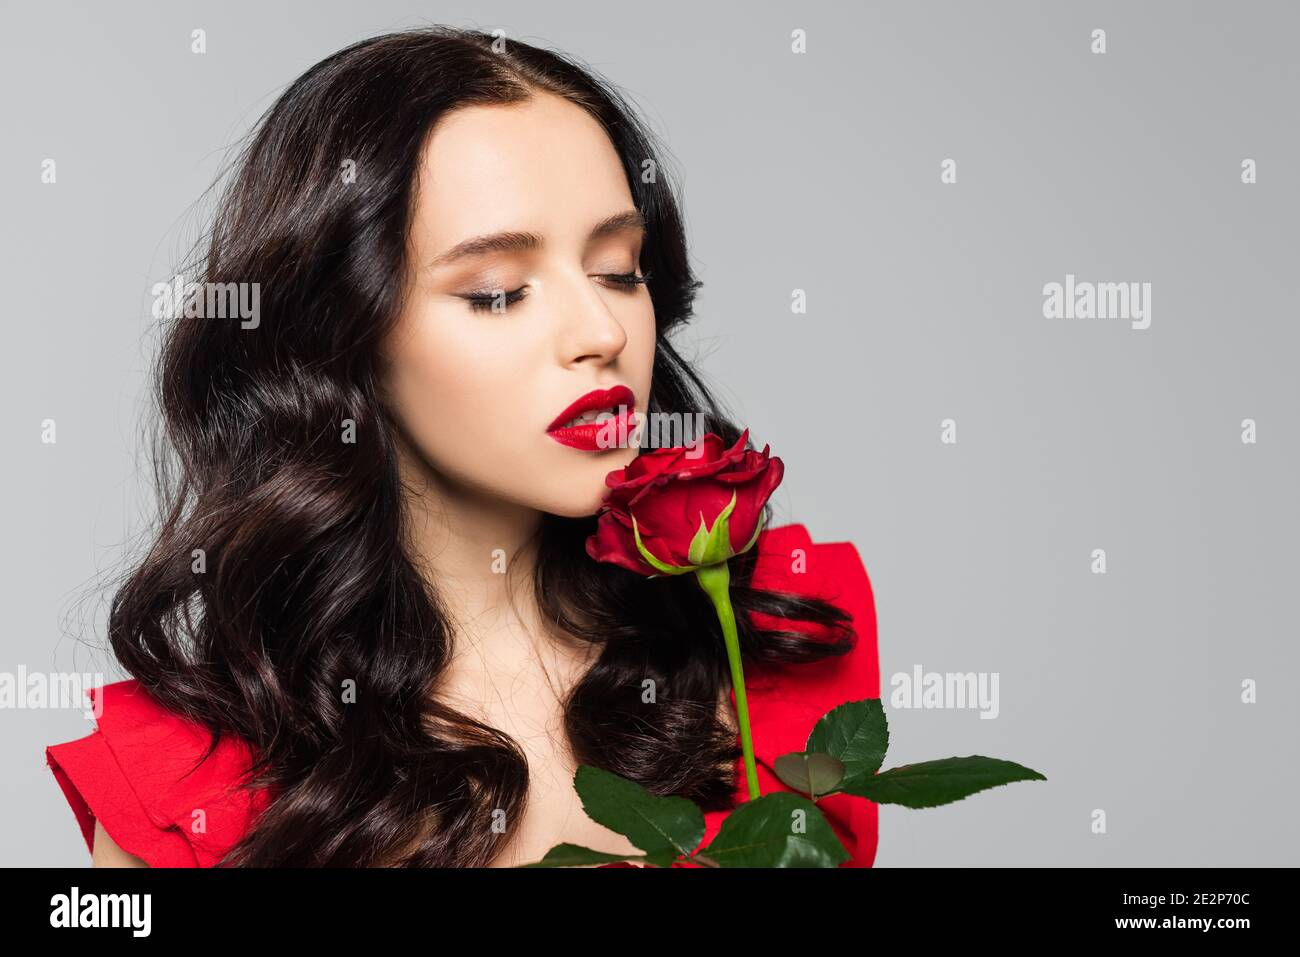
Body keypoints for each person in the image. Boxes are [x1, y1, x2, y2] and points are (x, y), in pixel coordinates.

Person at [45, 25, 879, 868]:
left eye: (620, 270)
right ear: (346, 337)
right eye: (497, 293)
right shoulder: (186, 781)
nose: (600, 332)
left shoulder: (783, 634)